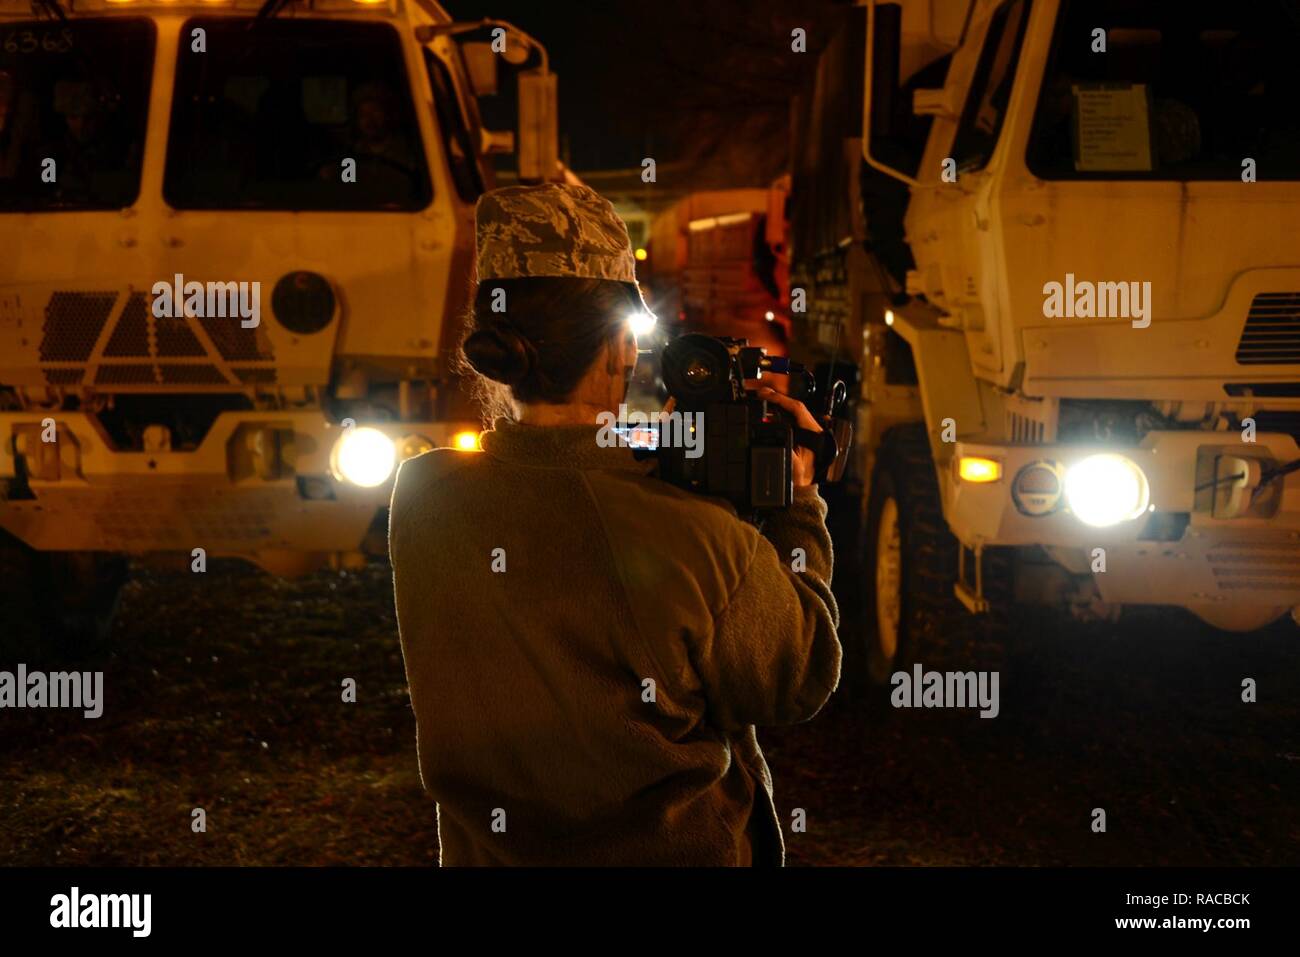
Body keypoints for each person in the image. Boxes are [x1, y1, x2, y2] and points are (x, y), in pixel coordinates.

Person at [389, 183, 841, 866]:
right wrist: (798, 505)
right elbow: (796, 676)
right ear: (618, 350)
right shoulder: (697, 537)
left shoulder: (424, 498)